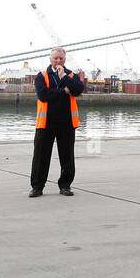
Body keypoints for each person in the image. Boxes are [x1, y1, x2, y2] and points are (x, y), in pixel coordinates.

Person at [29, 48, 87, 197]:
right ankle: (37, 187)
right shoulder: (42, 76)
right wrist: (64, 91)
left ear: (65, 60)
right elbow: (43, 95)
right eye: (55, 58)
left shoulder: (70, 75)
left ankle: (65, 185)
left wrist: (64, 77)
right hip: (46, 122)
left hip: (66, 122)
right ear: (50, 59)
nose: (58, 61)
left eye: (61, 58)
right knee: (41, 155)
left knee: (67, 155)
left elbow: (78, 90)